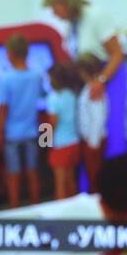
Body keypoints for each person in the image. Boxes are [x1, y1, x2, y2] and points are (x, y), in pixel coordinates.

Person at [42, 0, 127, 158]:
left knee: (107, 132)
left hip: (107, 75)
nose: (54, 13)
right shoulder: (72, 24)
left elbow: (118, 53)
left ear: (66, 2)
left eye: (54, 8)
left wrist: (101, 81)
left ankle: (110, 177)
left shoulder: (96, 15)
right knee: (89, 131)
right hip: (89, 77)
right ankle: (89, 180)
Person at [0, 32, 44, 208]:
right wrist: (47, 138)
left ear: (10, 54)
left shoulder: (6, 79)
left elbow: (3, 110)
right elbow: (42, 104)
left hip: (12, 134)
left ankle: (15, 208)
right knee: (33, 171)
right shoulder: (37, 76)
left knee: (13, 174)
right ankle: (36, 205)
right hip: (32, 131)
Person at [44, 60, 84, 200]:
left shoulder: (53, 98)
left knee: (60, 185)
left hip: (60, 145)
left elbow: (52, 123)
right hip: (74, 143)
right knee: (71, 182)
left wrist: (44, 142)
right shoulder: (71, 94)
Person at [74, 53, 108, 193]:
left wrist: (93, 144)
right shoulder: (89, 87)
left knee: (95, 180)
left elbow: (98, 117)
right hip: (90, 139)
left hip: (94, 140)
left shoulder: (94, 89)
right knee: (92, 176)